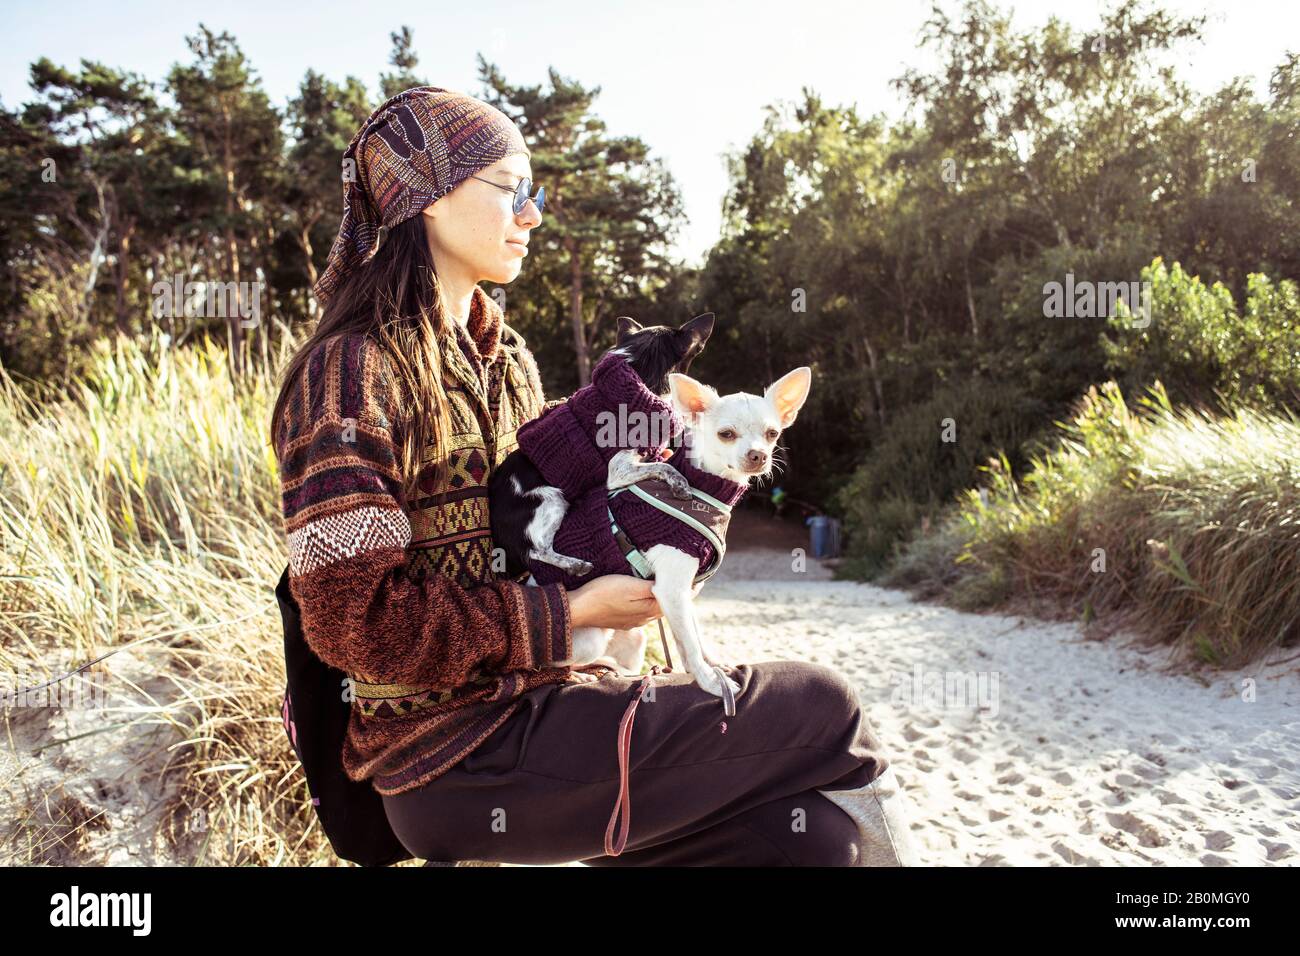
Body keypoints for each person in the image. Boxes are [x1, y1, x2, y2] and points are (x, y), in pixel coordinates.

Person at [270, 86, 921, 866]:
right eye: (512, 189)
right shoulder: (348, 378)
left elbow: (555, 522)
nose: (532, 212)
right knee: (824, 705)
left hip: (558, 703)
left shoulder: (504, 362)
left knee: (818, 845)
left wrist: (652, 543)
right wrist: (571, 610)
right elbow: (355, 623)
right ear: (431, 200)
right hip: (454, 756)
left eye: (534, 192)